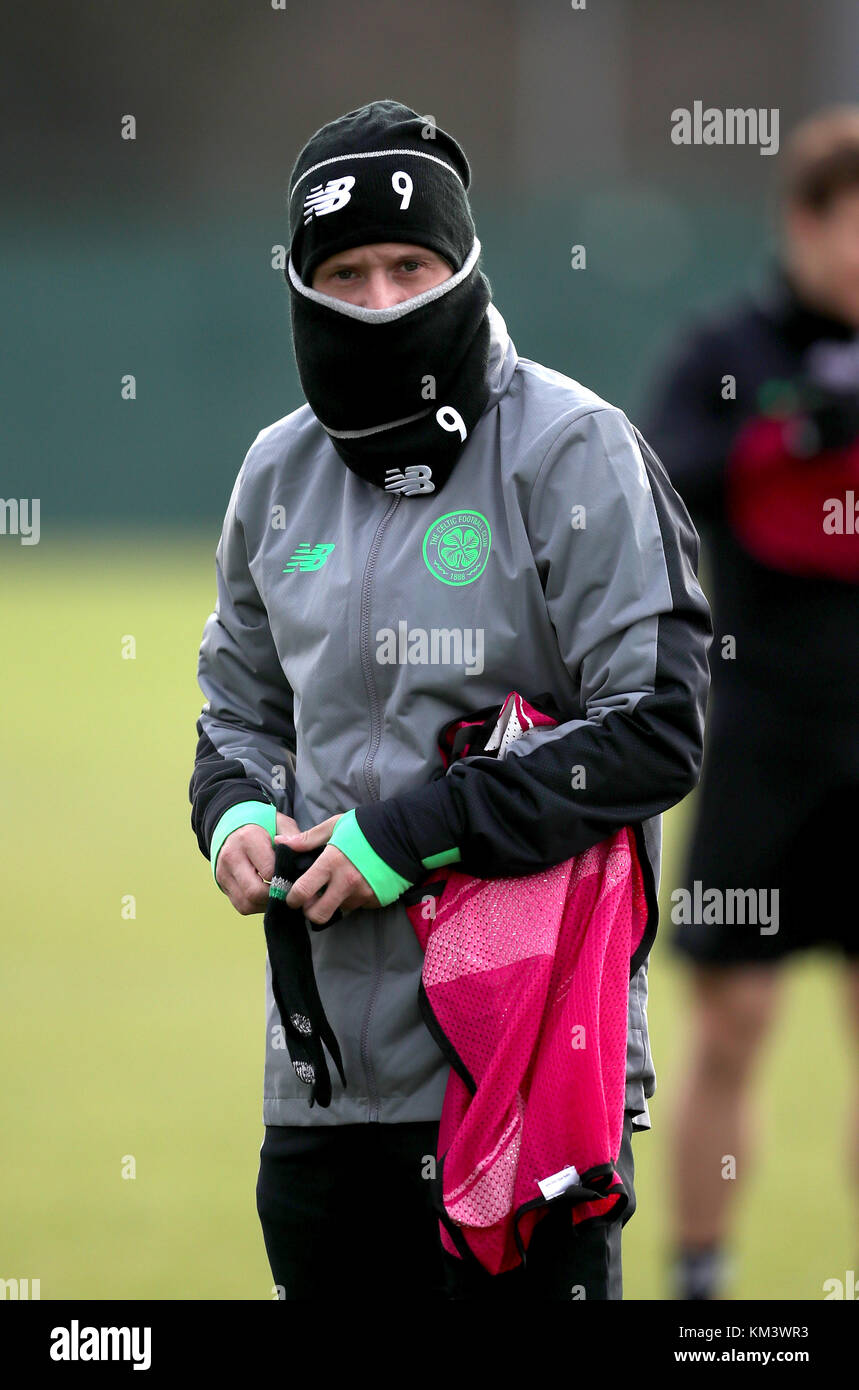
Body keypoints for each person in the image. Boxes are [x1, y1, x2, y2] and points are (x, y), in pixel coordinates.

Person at [188, 98, 712, 1301]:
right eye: (347, 272)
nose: (381, 301)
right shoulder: (275, 471)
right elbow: (236, 711)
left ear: (463, 264)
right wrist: (233, 814)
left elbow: (651, 727)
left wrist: (404, 837)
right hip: (321, 1084)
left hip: (524, 1077)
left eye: (410, 265)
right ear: (303, 286)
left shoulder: (574, 449)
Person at [642, 106, 859, 1302]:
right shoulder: (726, 347)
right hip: (760, 740)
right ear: (805, 223)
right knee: (731, 1025)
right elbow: (653, 478)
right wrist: (780, 436)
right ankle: (699, 1284)